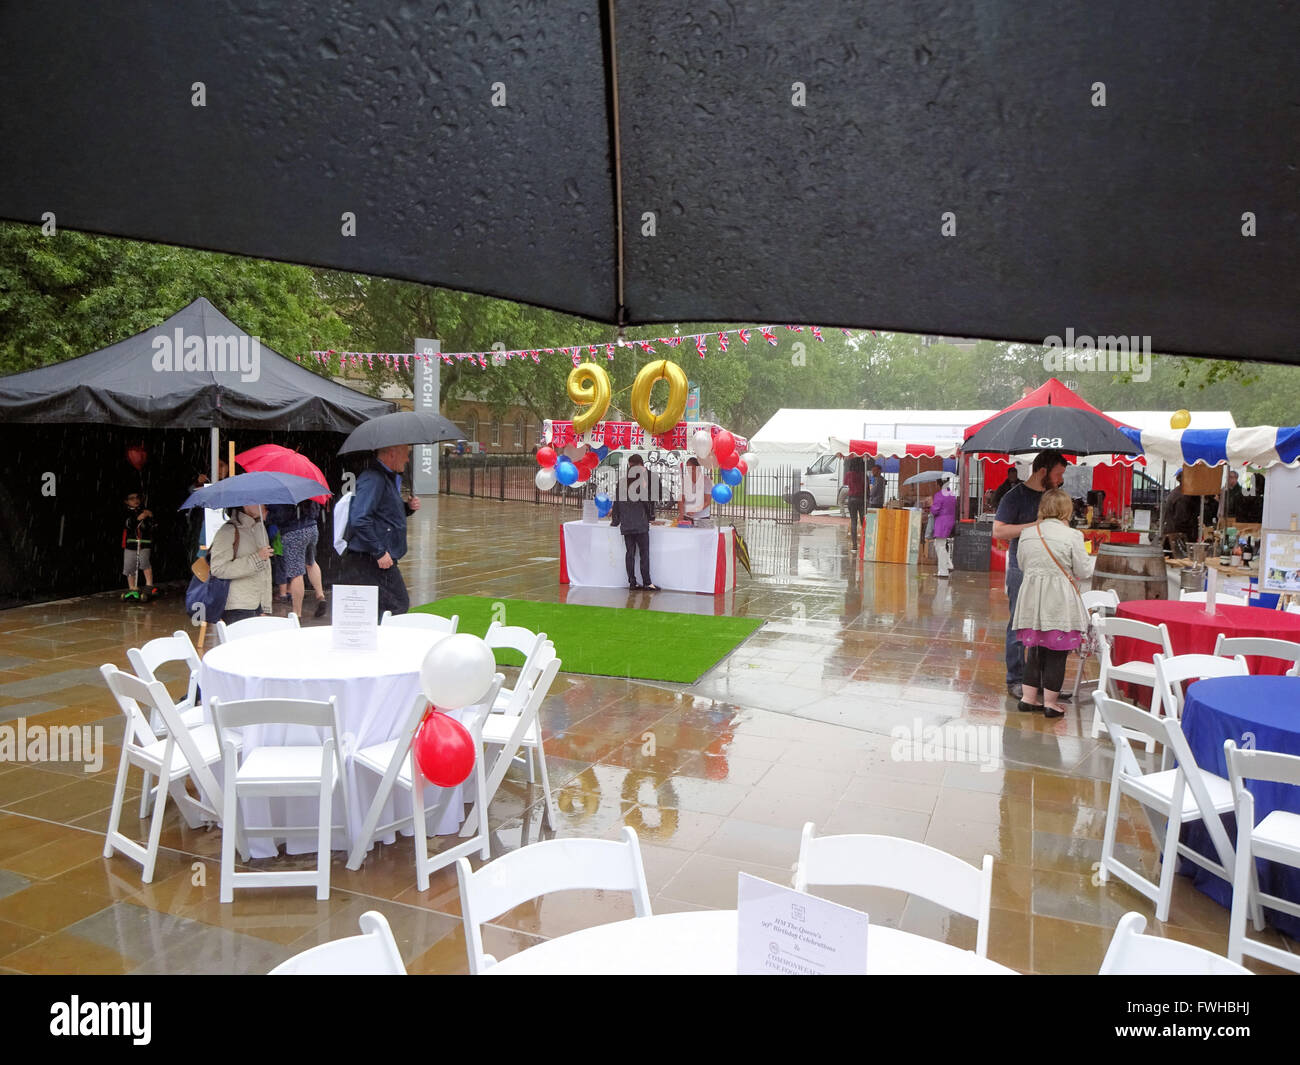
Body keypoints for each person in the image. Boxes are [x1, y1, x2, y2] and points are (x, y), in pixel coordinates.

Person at [1011, 489, 1096, 718]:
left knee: (1035, 649)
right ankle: (1050, 703)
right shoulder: (1072, 536)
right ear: (1066, 510)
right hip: (1058, 599)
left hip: (1030, 598)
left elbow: (1021, 564)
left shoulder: (1027, 533)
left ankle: (1028, 698)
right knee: (1057, 652)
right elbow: (1084, 570)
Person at [993, 448, 1068, 700]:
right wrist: (1036, 526)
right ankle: (1015, 678)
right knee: (1019, 624)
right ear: (1043, 471)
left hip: (1050, 572)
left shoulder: (1053, 497)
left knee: (1046, 626)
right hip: (1021, 569)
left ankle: (1045, 685)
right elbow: (999, 531)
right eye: (1057, 475)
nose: (1060, 480)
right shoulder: (1015, 497)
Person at [341, 443, 422, 620]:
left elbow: (384, 512)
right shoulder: (374, 478)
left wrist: (407, 507)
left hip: (376, 556)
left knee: (381, 606)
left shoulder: (385, 477)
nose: (407, 459)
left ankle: (376, 640)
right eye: (405, 454)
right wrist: (378, 551)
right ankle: (382, 640)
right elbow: (359, 518)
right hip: (372, 558)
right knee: (397, 603)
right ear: (392, 454)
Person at [208, 503, 274, 624]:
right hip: (237, 606)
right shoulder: (228, 530)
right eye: (259, 502)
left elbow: (266, 570)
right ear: (246, 504)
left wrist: (266, 606)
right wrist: (256, 559)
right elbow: (218, 569)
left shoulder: (260, 528)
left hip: (258, 605)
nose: (265, 505)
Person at [274, 500, 329, 619]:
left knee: (296, 573)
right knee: (311, 562)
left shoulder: (283, 490)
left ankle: (297, 614)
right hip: (312, 527)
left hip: (293, 531)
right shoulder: (304, 483)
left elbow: (280, 514)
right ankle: (320, 596)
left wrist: (270, 516)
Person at [612, 454, 658, 590]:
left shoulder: (621, 482)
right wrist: (651, 517)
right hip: (640, 523)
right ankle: (647, 582)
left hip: (626, 523)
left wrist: (615, 520)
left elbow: (617, 503)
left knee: (629, 554)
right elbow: (647, 503)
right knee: (644, 554)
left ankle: (632, 582)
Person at [122, 492, 155, 596]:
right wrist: (138, 518)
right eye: (131, 498)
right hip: (130, 543)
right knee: (129, 565)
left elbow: (153, 526)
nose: (135, 500)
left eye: (137, 498)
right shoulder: (125, 512)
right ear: (126, 501)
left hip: (144, 543)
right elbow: (128, 524)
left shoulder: (144, 510)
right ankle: (132, 588)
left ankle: (149, 585)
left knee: (144, 562)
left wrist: (150, 516)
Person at [930, 478, 958, 577]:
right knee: (940, 544)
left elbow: (935, 511)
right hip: (950, 521)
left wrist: (931, 505)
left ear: (939, 484)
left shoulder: (939, 495)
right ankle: (949, 565)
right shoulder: (952, 495)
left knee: (940, 546)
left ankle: (943, 571)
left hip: (941, 522)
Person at [679, 456, 713, 527]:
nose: (690, 471)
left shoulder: (706, 481)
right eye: (688, 469)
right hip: (687, 517)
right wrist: (681, 513)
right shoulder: (685, 480)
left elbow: (708, 501)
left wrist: (695, 509)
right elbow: (681, 499)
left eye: (692, 468)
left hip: (702, 517)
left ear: (698, 468)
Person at [843, 456, 866, 553]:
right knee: (863, 521)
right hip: (861, 499)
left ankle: (854, 546)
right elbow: (865, 487)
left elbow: (845, 483)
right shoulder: (863, 475)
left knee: (853, 521)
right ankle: (864, 544)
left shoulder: (849, 474)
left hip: (851, 499)